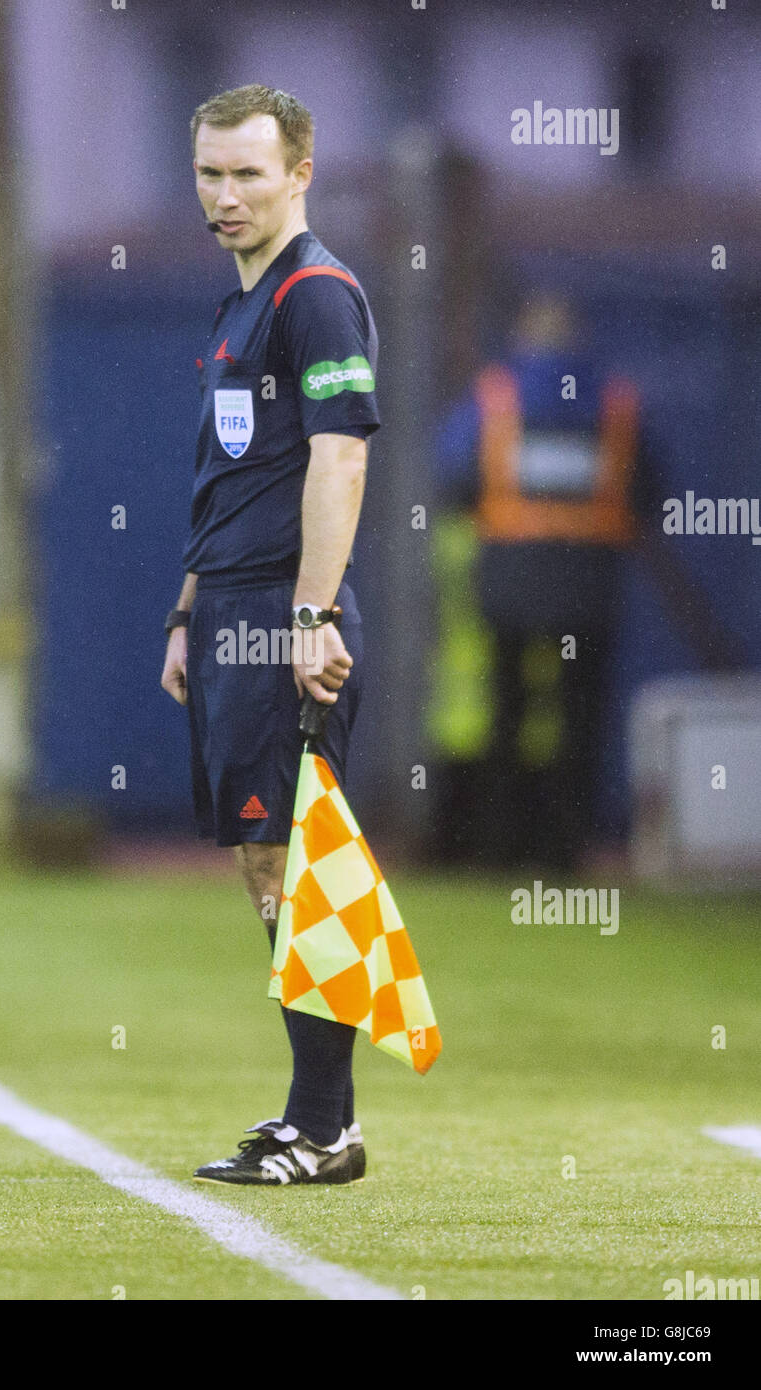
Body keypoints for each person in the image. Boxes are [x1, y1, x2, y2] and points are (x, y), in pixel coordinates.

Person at [160, 85, 380, 1185]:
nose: (225, 195)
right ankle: (316, 1114)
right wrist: (191, 608)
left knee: (300, 866)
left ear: (300, 172)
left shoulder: (317, 297)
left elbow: (341, 459)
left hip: (288, 616)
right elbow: (234, 475)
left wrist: (309, 613)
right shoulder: (236, 304)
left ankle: (325, 1125)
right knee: (267, 859)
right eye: (209, 173)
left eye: (247, 173)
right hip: (235, 610)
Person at [434, 293, 651, 869]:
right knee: (580, 721)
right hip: (590, 585)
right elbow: (648, 485)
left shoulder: (496, 394)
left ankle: (500, 846)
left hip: (510, 581)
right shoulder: (616, 398)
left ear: (522, 335)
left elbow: (454, 476)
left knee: (508, 714)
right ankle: (563, 851)